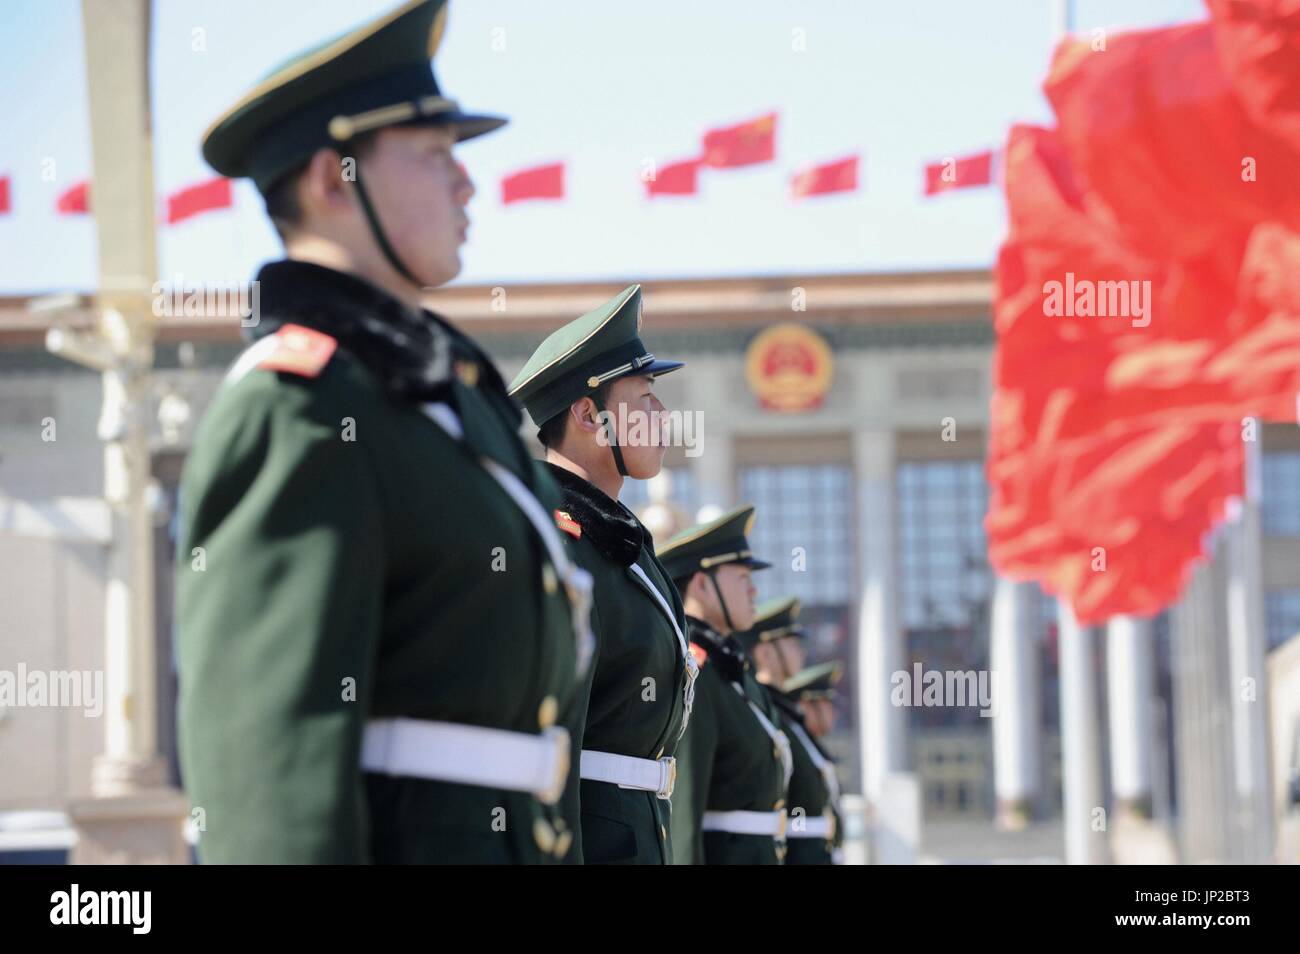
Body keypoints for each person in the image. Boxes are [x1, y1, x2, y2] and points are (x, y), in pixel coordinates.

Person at [176, 0, 591, 864]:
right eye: (437, 155)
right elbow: (272, 780)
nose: (468, 183)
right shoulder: (298, 406)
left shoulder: (445, 405)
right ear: (336, 181)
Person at [508, 284, 696, 864]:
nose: (662, 416)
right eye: (644, 399)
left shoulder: (619, 542)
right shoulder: (552, 543)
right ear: (589, 414)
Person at [659, 507, 792, 864]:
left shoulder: (731, 672)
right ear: (702, 584)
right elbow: (683, 807)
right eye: (743, 576)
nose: (754, 589)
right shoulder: (696, 673)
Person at [739, 598, 842, 864]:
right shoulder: (761, 713)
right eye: (792, 644)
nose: (801, 653)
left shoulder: (785, 716)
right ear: (765, 653)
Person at [786, 661, 847, 864]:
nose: (834, 713)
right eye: (827, 704)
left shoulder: (810, 746)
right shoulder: (793, 743)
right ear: (805, 706)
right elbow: (796, 812)